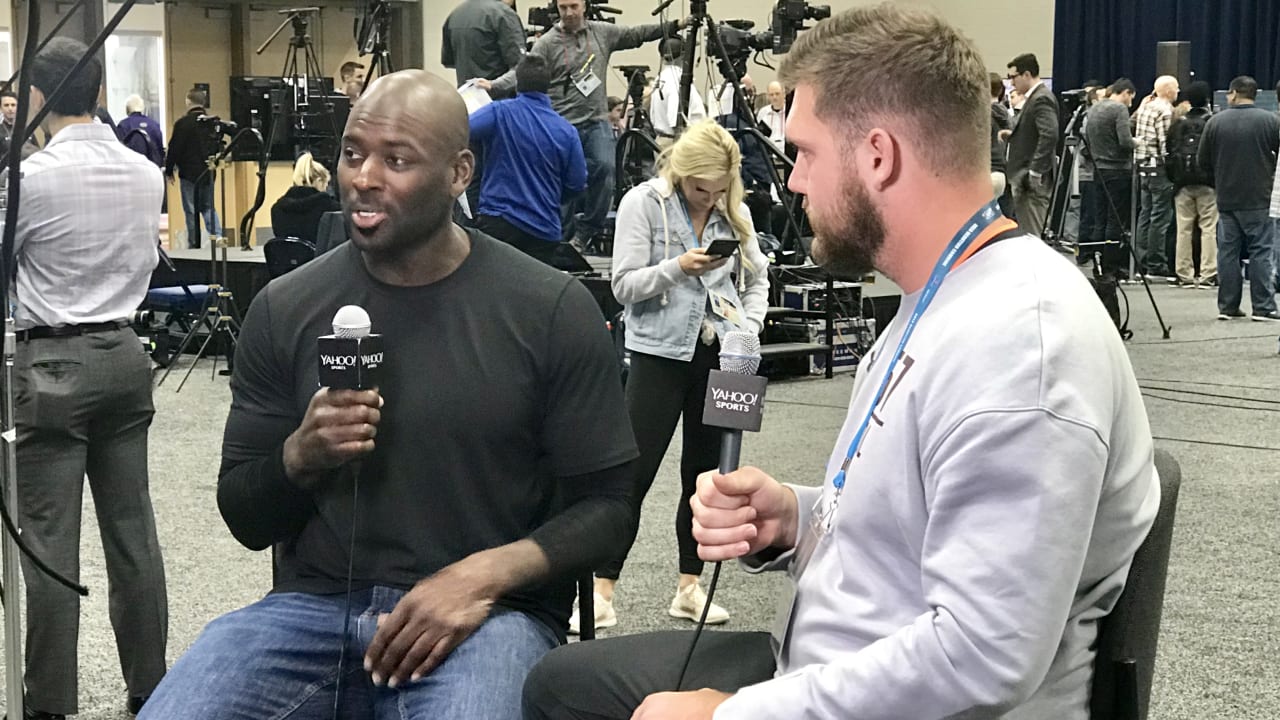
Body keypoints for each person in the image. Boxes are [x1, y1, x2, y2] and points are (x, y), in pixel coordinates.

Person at [523, 6, 1160, 719]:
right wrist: (797, 517)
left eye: (806, 153)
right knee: (560, 685)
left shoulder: (1021, 347)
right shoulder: (943, 295)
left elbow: (982, 656)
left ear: (878, 155)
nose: (793, 183)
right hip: (840, 659)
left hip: (905, 697)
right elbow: (910, 526)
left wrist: (730, 717)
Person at [137, 69, 637, 720]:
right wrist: (300, 456)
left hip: (485, 620)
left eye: (396, 159)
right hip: (314, 613)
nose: (364, 177)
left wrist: (481, 577)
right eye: (352, 154)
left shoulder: (550, 309)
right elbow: (244, 516)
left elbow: (607, 510)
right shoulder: (284, 307)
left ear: (460, 173)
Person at [9, 37, 169, 720]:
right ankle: (150, 688)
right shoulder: (142, 171)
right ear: (99, 90)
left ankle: (48, 704)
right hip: (128, 355)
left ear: (38, 98)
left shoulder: (32, 178)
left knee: (49, 546)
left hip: (52, 363)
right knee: (133, 534)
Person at [571, 119, 769, 635]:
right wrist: (678, 267)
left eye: (719, 189)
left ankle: (689, 586)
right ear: (681, 173)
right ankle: (600, 589)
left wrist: (747, 327)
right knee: (631, 474)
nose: (709, 198)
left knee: (709, 478)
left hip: (723, 358)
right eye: (700, 188)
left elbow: (756, 282)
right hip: (657, 354)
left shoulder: (736, 212)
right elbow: (622, 285)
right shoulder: (644, 202)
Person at [481, 0, 683, 250]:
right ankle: (561, 240)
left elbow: (636, 34)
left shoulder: (602, 33)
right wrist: (493, 86)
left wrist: (675, 25)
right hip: (563, 125)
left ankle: (586, 232)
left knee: (606, 170)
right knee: (562, 182)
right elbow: (521, 72)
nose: (569, 13)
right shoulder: (547, 42)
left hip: (595, 121)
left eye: (574, 6)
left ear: (584, 6)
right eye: (563, 7)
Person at [470, 54, 587, 264]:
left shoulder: (499, 112)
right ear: (548, 84)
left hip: (499, 226)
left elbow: (460, 129)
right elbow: (576, 184)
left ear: (518, 82)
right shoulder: (567, 131)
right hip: (543, 233)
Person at [1199, 75, 1280, 321]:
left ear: (1234, 93)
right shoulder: (1271, 121)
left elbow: (1202, 161)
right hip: (1260, 198)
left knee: (1227, 252)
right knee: (1261, 252)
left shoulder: (1215, 122)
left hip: (1226, 198)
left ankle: (1228, 306)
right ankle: (1264, 307)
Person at [1001, 52, 1058, 238]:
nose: (1011, 83)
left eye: (1013, 77)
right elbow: (1037, 134)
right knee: (1028, 233)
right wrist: (1014, 136)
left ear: (1026, 74)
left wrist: (1035, 171)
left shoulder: (1041, 98)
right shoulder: (1034, 98)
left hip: (1031, 179)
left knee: (1033, 236)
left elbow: (1049, 135)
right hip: (1026, 177)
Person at [1167, 80, 1217, 288]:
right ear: (1207, 100)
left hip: (1182, 182)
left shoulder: (1178, 122)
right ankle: (1208, 274)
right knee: (1209, 228)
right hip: (1208, 182)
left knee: (1183, 228)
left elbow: (1169, 150)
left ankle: (1184, 275)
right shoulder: (1212, 122)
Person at [1084, 78, 1137, 276]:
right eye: (1131, 98)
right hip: (1118, 171)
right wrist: (1137, 143)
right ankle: (1111, 266)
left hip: (1098, 170)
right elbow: (1124, 140)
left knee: (1100, 219)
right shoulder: (1119, 109)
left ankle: (1098, 264)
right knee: (1115, 221)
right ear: (1125, 92)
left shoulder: (1095, 109)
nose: (1130, 103)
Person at [1132, 75, 1180, 278]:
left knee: (1145, 214)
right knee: (1160, 217)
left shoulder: (1145, 106)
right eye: (1176, 88)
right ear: (1168, 90)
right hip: (1159, 169)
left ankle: (1141, 260)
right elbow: (1164, 143)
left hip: (1142, 166)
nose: (1178, 92)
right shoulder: (1166, 110)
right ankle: (1156, 263)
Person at [164, 88, 222, 248]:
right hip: (208, 171)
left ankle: (194, 242)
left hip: (188, 173)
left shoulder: (183, 124)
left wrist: (169, 170)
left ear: (188, 102)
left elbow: (174, 148)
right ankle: (217, 236)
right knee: (209, 207)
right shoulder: (212, 123)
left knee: (191, 210)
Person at [442, 0, 527, 91]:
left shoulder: (455, 14)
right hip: (498, 98)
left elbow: (448, 61)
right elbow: (521, 68)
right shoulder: (503, 14)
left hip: (468, 96)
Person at [270, 152, 342, 245]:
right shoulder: (331, 209)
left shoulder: (277, 209)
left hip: (286, 259)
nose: (326, 188)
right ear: (319, 181)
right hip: (320, 259)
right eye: (326, 183)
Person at [650, 37, 706, 137]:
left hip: (665, 139)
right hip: (676, 142)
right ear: (684, 56)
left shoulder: (662, 77)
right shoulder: (677, 80)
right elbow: (677, 121)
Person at [117, 93, 166, 168]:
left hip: (133, 169)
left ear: (127, 108)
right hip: (153, 169)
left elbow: (120, 151)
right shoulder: (154, 125)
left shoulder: (123, 125)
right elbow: (160, 149)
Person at [756, 80, 787, 152]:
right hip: (769, 152)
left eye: (777, 94)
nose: (774, 97)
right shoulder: (763, 112)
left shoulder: (790, 111)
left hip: (787, 154)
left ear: (784, 94)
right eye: (771, 94)